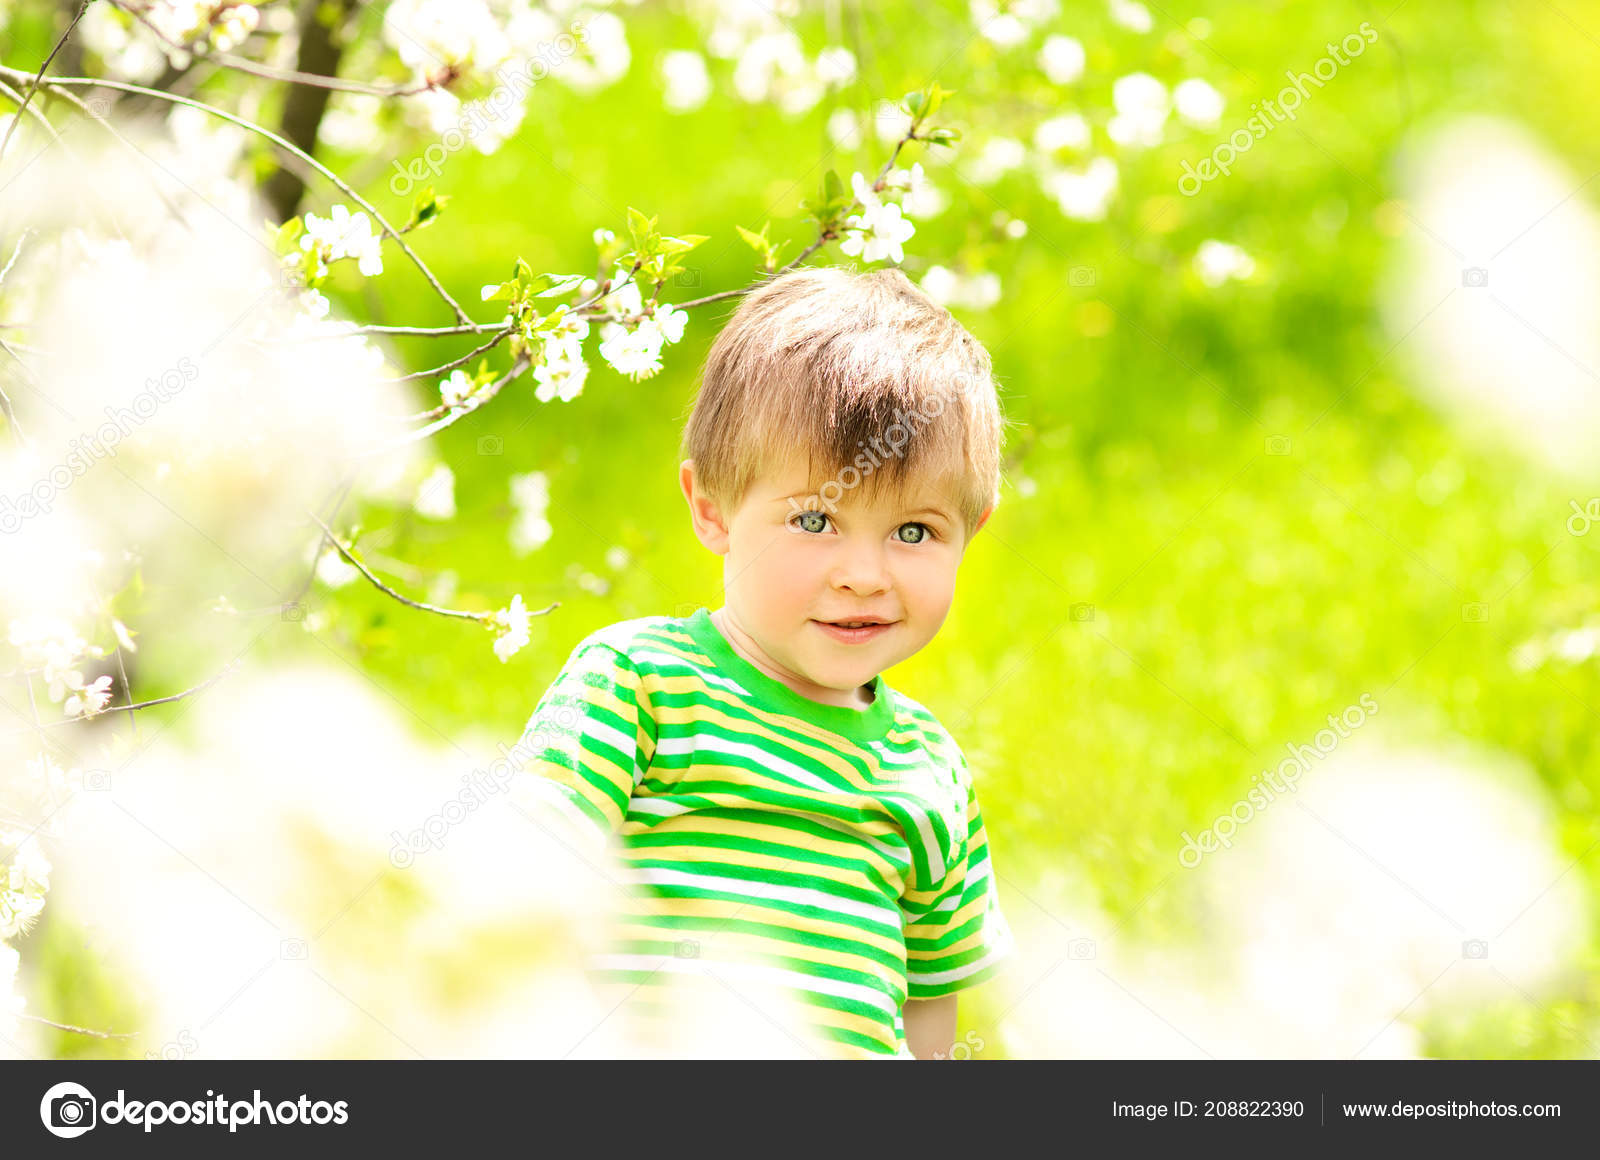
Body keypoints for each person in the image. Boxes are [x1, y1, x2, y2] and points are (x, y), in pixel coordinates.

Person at [520, 264, 1014, 1058]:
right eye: (816, 519)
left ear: (971, 530)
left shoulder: (929, 769)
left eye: (913, 532)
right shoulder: (641, 682)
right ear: (711, 509)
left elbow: (928, 1008)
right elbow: (526, 875)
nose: (864, 573)